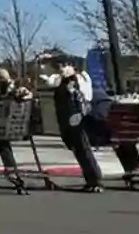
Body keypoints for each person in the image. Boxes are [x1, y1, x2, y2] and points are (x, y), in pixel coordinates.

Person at [53, 62, 103, 192]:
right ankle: (92, 179)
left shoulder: (72, 85)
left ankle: (95, 179)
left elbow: (76, 102)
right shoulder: (69, 84)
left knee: (83, 150)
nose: (61, 69)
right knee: (81, 150)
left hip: (74, 121)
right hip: (71, 122)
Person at [0, 68, 32, 183]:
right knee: (2, 143)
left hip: (10, 126)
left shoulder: (12, 89)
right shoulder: (5, 90)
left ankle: (11, 170)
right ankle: (11, 169)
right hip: (9, 126)